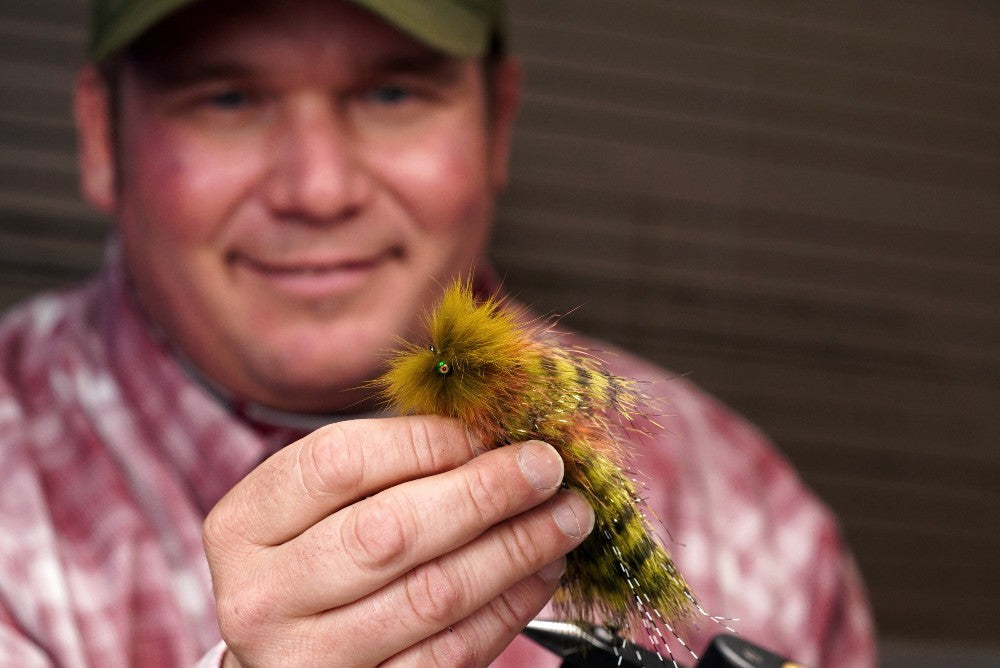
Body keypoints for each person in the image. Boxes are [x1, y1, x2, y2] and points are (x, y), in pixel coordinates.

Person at [0, 0, 877, 666]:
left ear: (499, 122)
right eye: (227, 98)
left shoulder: (756, 515)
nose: (319, 188)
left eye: (392, 93)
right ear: (100, 137)